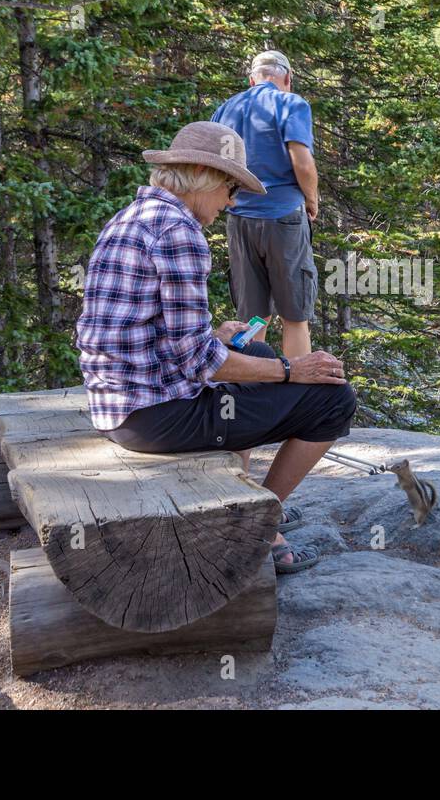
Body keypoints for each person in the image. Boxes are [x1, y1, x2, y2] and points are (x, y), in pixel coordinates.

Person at [74, 121, 353, 574]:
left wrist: (218, 339)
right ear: (203, 176)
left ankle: (248, 501)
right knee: (333, 399)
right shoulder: (181, 233)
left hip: (119, 405)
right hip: (152, 418)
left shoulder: (133, 217)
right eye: (229, 188)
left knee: (257, 357)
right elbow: (201, 364)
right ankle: (254, 518)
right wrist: (291, 370)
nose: (231, 202)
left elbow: (151, 334)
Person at [212, 49, 319, 359]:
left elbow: (216, 164)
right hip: (283, 217)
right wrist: (311, 200)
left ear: (251, 80)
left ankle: (251, 391)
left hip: (240, 220)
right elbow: (302, 160)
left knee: (254, 316)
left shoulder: (225, 109)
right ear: (287, 78)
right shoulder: (290, 103)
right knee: (294, 316)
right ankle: (298, 396)